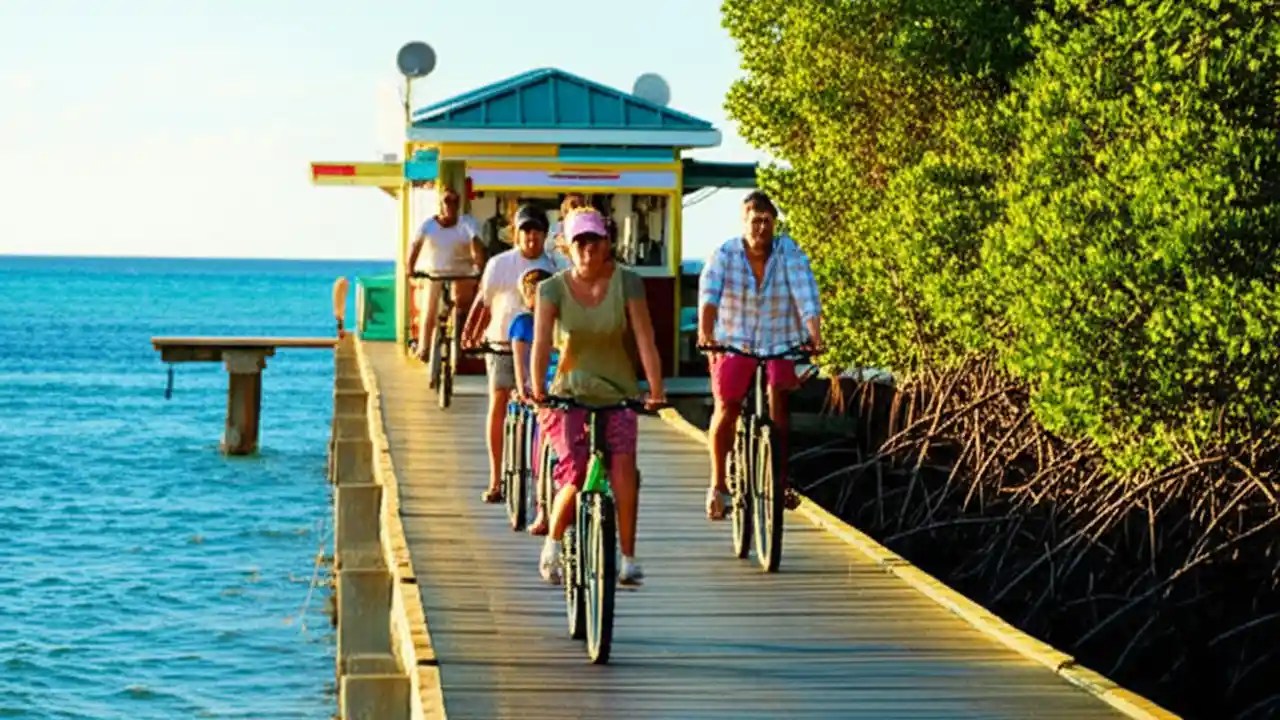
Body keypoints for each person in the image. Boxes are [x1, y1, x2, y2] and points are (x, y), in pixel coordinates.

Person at [530, 206, 666, 586]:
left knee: (623, 469)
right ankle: (554, 543)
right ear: (568, 248)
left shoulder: (628, 282)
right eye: (580, 242)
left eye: (595, 240)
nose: (588, 249)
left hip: (617, 392)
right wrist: (537, 389)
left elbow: (645, 339)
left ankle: (627, 557)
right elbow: (541, 344)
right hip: (568, 394)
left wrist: (656, 390)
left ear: (607, 243)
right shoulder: (551, 288)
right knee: (574, 470)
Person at [697, 191, 824, 521]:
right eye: (755, 221)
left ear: (775, 223)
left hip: (778, 339)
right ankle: (718, 483)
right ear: (744, 223)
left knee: (779, 397)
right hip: (734, 340)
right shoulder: (725, 254)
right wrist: (706, 333)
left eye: (767, 221)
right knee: (727, 405)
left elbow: (805, 293)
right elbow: (709, 296)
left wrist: (815, 334)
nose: (761, 228)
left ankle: (779, 479)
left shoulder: (789, 252)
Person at [462, 204, 559, 503]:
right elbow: (483, 301)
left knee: (542, 406)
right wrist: (470, 333)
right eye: (526, 231)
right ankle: (495, 477)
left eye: (537, 231)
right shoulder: (499, 264)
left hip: (539, 345)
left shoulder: (553, 267)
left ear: (544, 235)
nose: (531, 237)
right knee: (499, 398)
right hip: (502, 343)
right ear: (516, 234)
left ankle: (541, 477)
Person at [407, 186, 484, 369]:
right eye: (447, 201)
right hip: (435, 273)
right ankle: (424, 347)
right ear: (440, 204)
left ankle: (463, 341)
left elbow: (476, 246)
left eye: (454, 201)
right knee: (430, 307)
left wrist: (479, 265)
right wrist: (410, 268)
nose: (450, 205)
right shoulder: (429, 225)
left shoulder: (467, 223)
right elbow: (415, 248)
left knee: (462, 304)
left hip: (461, 272)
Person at [508, 267, 557, 535]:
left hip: (561, 386)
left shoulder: (561, 322)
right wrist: (525, 387)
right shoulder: (523, 324)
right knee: (545, 436)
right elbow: (520, 363)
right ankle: (542, 505)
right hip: (538, 388)